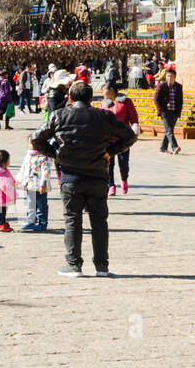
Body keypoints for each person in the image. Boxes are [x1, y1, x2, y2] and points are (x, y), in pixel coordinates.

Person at [30, 80, 137, 278]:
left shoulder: (58, 115)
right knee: (99, 222)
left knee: (72, 220)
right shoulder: (104, 116)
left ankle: (74, 265)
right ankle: (102, 266)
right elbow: (130, 136)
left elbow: (36, 138)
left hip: (70, 175)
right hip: (98, 175)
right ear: (91, 98)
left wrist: (56, 154)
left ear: (70, 98)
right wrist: (110, 151)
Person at [101, 82, 139, 195]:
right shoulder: (103, 105)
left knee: (123, 162)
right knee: (109, 163)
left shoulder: (126, 102)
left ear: (112, 90)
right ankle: (111, 185)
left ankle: (124, 179)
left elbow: (134, 117)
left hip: (123, 138)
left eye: (104, 90)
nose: (102, 93)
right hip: (108, 139)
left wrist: (134, 129)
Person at [17, 139, 53, 232]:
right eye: (30, 143)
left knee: (41, 205)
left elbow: (46, 172)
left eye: (35, 143)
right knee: (31, 204)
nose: (33, 145)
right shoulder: (28, 156)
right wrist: (18, 179)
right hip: (29, 185)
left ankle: (42, 223)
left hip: (39, 186)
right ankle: (30, 221)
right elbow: (23, 169)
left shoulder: (44, 157)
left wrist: (43, 184)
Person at [153, 65, 183, 154]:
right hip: (165, 111)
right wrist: (161, 110)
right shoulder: (162, 86)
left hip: (174, 112)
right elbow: (156, 99)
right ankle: (175, 147)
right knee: (169, 130)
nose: (169, 78)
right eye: (167, 76)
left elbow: (180, 100)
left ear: (175, 77)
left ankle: (163, 148)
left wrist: (178, 112)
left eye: (171, 76)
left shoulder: (178, 86)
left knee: (168, 130)